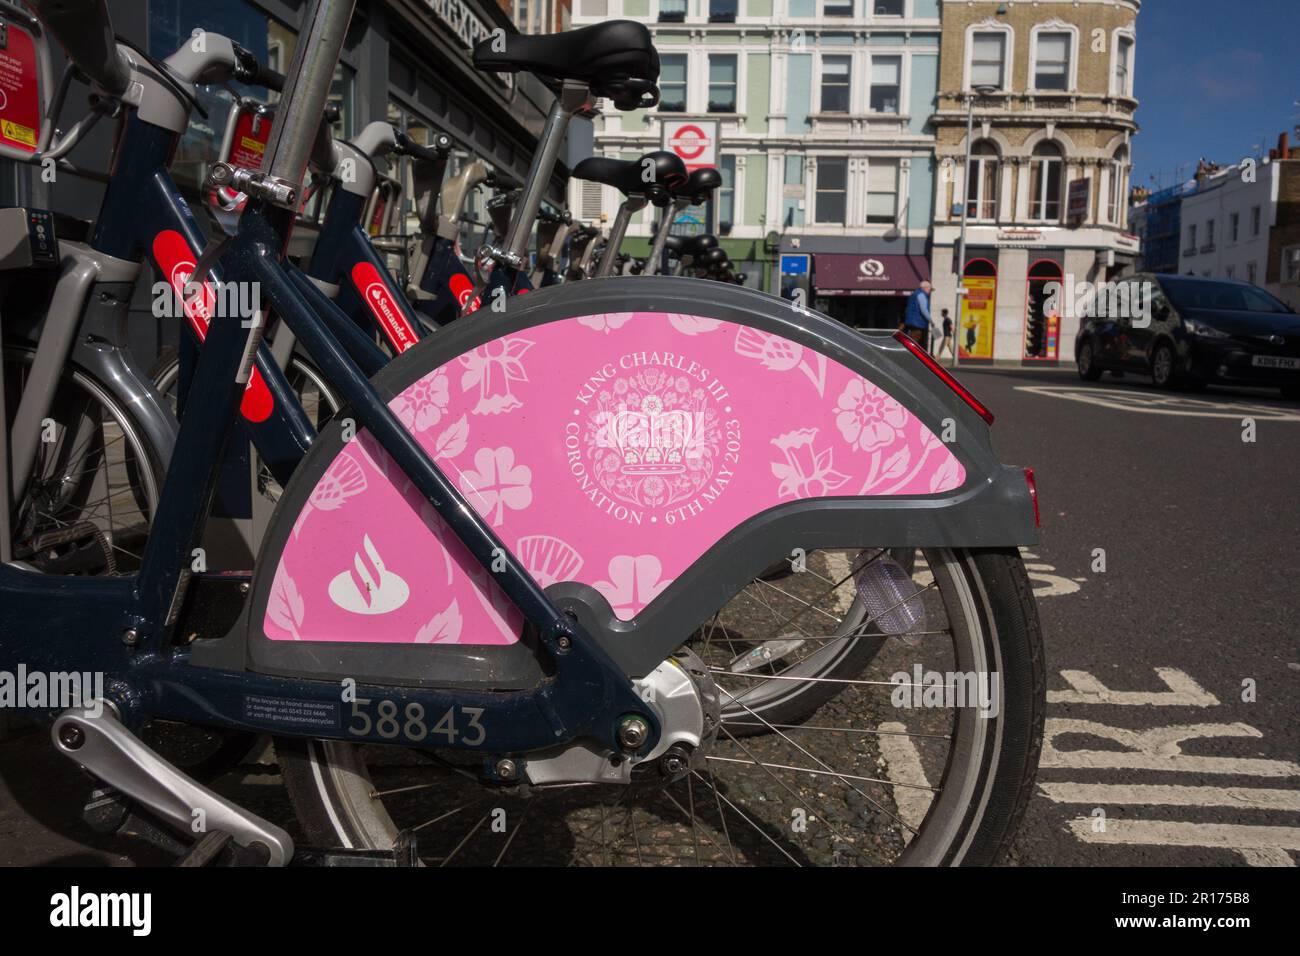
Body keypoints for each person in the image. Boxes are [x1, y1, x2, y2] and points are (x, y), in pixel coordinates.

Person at [902, 280, 932, 348]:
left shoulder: (914, 294)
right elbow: (924, 310)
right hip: (917, 323)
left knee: (912, 340)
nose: (930, 291)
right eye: (930, 289)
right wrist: (931, 321)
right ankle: (908, 357)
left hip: (910, 322)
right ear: (926, 287)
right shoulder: (921, 295)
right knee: (914, 343)